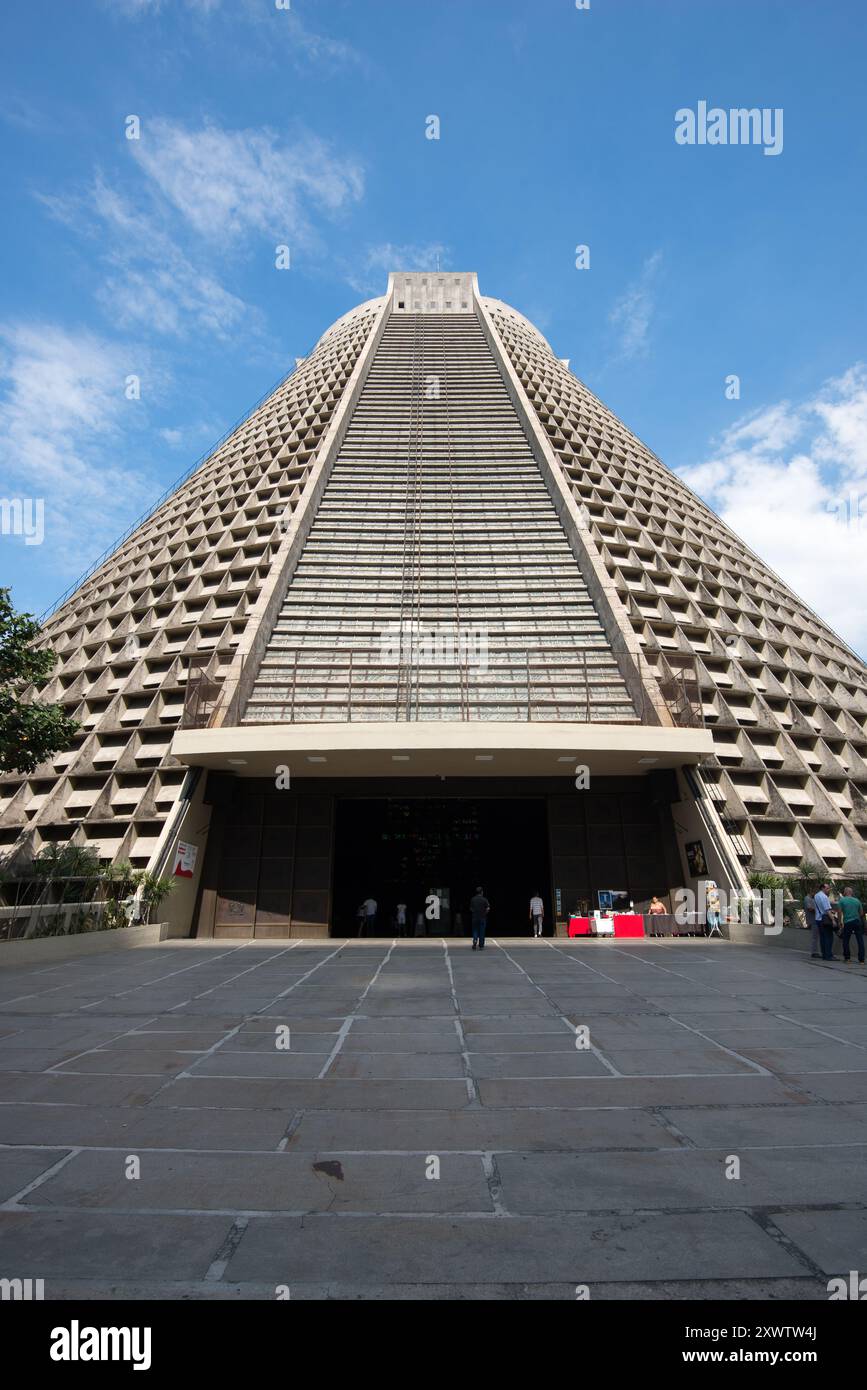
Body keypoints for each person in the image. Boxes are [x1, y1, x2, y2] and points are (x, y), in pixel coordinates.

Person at [837, 885, 865, 965]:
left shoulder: (842, 900)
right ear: (851, 893)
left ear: (845, 892)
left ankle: (847, 958)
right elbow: (861, 913)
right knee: (860, 940)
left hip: (848, 922)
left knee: (846, 940)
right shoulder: (857, 900)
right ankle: (861, 960)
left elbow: (839, 912)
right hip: (857, 922)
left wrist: (839, 922)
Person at [813, 882, 836, 961]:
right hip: (825, 920)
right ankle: (828, 955)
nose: (829, 890)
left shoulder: (816, 895)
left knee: (822, 938)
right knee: (829, 937)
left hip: (818, 919)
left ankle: (824, 954)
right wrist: (833, 920)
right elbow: (827, 910)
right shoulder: (824, 897)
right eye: (827, 888)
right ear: (822, 888)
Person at [470, 886, 490, 950]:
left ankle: (475, 940)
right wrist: (485, 913)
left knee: (475, 930)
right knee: (482, 931)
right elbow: (488, 908)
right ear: (481, 892)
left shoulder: (473, 899)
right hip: (482, 917)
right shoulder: (484, 899)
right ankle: (481, 945)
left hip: (475, 917)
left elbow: (471, 909)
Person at [803, 886, 819, 958]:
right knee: (814, 937)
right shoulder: (807, 898)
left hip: (815, 920)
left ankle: (816, 951)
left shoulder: (813, 899)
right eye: (815, 893)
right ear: (812, 892)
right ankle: (814, 952)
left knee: (816, 936)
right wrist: (819, 911)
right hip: (812, 920)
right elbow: (809, 908)